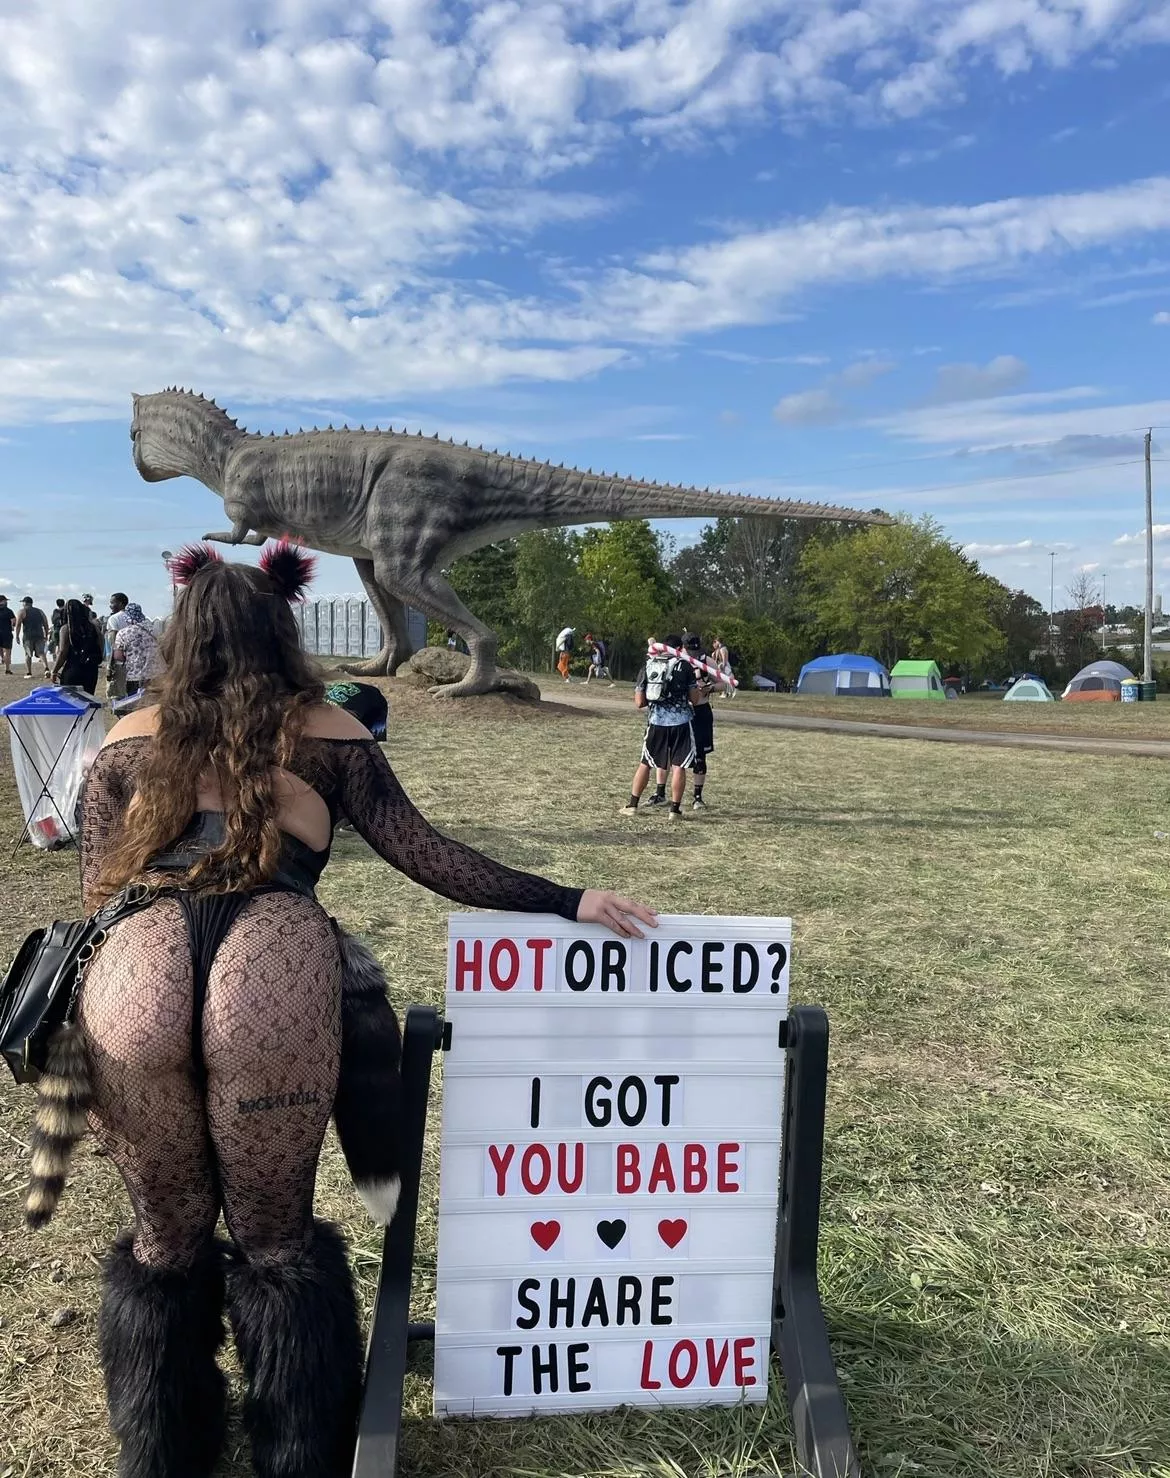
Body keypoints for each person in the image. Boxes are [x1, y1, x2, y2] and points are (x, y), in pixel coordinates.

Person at [46, 540, 653, 1478]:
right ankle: (302, 1453)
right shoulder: (329, 732)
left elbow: (95, 899)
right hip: (273, 967)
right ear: (280, 631)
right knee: (275, 1239)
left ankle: (162, 1457)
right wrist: (568, 900)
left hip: (140, 970)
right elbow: (429, 854)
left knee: (165, 1236)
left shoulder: (125, 741)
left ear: (182, 635)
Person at [621, 635, 699, 821]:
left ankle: (632, 805)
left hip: (656, 722)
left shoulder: (648, 665)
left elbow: (639, 702)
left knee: (646, 763)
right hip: (681, 723)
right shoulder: (685, 666)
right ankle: (674, 810)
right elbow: (694, 699)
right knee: (679, 766)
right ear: (679, 648)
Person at [650, 634, 716, 811]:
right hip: (678, 712)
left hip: (700, 711)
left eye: (696, 650)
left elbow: (723, 683)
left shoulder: (706, 661)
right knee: (668, 753)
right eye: (690, 650)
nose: (693, 654)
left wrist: (709, 687)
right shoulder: (674, 662)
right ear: (682, 648)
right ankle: (660, 793)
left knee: (700, 755)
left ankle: (697, 797)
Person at [50, 598, 104, 693]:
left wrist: (54, 671)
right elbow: (101, 646)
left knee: (71, 702)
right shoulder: (93, 628)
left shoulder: (66, 629)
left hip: (73, 668)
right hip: (91, 670)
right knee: (88, 700)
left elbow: (63, 652)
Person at [111, 602, 163, 696]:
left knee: (136, 705)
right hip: (157, 674)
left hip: (135, 675)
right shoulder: (154, 630)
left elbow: (118, 656)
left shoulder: (123, 633)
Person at [14, 596, 51, 679]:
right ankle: (46, 668)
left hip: (28, 636)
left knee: (28, 654)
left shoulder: (22, 611)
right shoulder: (40, 611)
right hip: (39, 634)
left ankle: (29, 672)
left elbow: (18, 624)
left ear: (25, 603)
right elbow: (46, 623)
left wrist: (16, 635)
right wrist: (46, 634)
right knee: (41, 653)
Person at [105, 592, 130, 699]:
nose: (110, 605)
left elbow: (114, 645)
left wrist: (110, 666)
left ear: (120, 603)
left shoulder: (114, 619)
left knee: (116, 695)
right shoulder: (132, 617)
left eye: (112, 603)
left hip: (119, 662)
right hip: (134, 663)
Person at [0, 594, 14, 675]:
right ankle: (7, 669)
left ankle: (2, 659)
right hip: (6, 633)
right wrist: (12, 626)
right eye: (5, 600)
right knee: (7, 651)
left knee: (1, 649)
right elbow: (14, 621)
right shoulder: (8, 611)